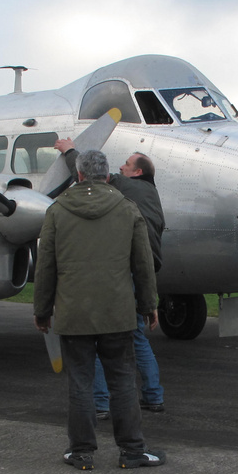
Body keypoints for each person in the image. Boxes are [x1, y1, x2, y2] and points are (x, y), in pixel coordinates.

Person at [34, 149, 165, 470]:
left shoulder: (57, 210)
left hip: (73, 314)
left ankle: (81, 452)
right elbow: (143, 263)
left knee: (80, 383)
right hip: (117, 314)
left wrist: (42, 310)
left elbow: (45, 266)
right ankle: (132, 451)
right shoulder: (127, 208)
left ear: (78, 175)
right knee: (122, 382)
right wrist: (149, 304)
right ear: (107, 176)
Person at [54, 139, 165, 416]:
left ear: (137, 172)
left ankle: (101, 403)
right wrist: (150, 303)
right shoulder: (150, 192)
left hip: (121, 266)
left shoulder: (124, 187)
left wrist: (69, 151)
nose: (120, 167)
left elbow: (93, 174)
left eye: (126, 165)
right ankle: (153, 396)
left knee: (98, 332)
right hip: (147, 266)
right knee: (138, 336)